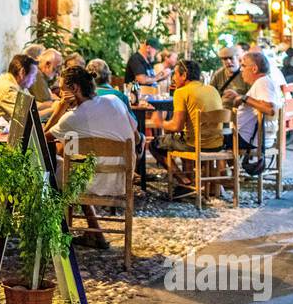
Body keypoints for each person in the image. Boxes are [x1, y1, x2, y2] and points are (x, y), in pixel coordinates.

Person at [45, 65, 138, 248]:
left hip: (96, 180)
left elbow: (40, 136)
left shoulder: (72, 117)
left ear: (75, 89)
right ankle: (97, 233)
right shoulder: (114, 100)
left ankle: (56, 234)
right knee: (76, 163)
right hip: (123, 177)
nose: (59, 94)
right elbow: (134, 131)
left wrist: (60, 108)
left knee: (51, 165)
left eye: (62, 90)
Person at [148, 60, 224, 182]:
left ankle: (183, 180)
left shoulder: (181, 92)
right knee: (181, 137)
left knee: (154, 145)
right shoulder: (212, 89)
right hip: (217, 144)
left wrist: (160, 123)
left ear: (184, 75)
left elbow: (176, 126)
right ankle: (190, 178)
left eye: (175, 74)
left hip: (195, 145)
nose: (173, 78)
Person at [223, 51, 282, 151]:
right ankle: (234, 166)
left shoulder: (263, 82)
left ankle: (221, 166)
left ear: (254, 69)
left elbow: (271, 109)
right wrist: (240, 97)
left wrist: (244, 98)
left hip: (247, 138)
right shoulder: (265, 81)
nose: (241, 70)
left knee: (208, 139)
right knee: (218, 134)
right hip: (250, 136)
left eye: (243, 66)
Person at [0, 54, 37, 122]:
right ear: (22, 72)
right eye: (33, 75)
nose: (34, 80)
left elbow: (30, 106)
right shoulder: (8, 88)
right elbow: (24, 116)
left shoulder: (9, 81)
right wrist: (50, 110)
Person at [31, 48, 64, 115]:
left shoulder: (40, 74)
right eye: (57, 67)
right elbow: (46, 102)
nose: (58, 71)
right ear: (48, 64)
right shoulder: (37, 75)